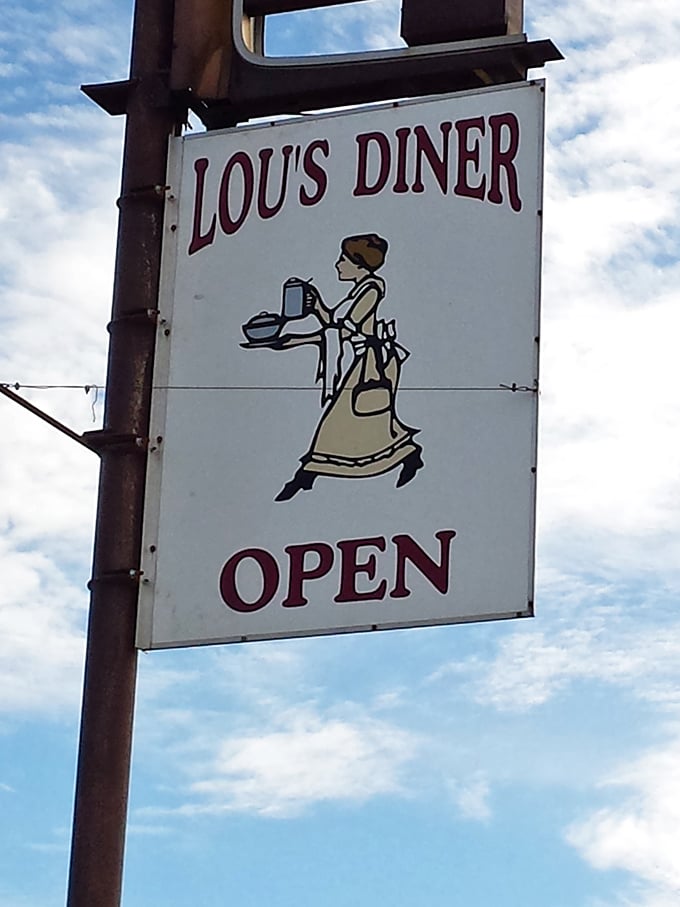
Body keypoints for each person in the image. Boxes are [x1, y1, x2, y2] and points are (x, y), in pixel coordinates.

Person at [272, 233, 424, 501]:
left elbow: (344, 328)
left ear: (359, 263)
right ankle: (410, 457)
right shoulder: (359, 289)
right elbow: (334, 320)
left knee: (341, 422)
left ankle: (304, 478)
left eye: (343, 259)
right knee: (377, 423)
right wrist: (316, 304)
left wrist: (297, 340)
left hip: (370, 365)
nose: (337, 264)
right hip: (362, 361)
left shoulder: (372, 289)